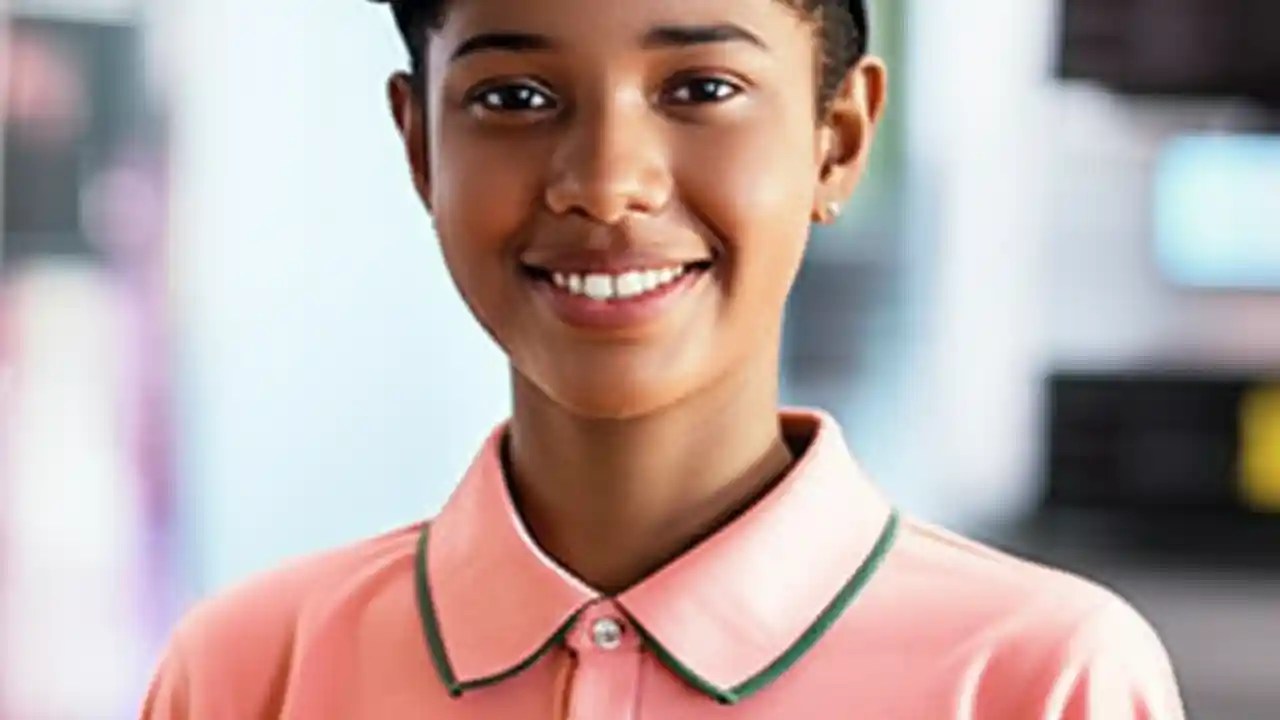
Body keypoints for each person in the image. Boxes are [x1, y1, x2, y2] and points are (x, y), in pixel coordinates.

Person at [141, 0, 1187, 717]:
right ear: (420, 148)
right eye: (513, 97)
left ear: (836, 137)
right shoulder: (249, 671)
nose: (605, 182)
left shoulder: (1041, 681)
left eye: (699, 88)